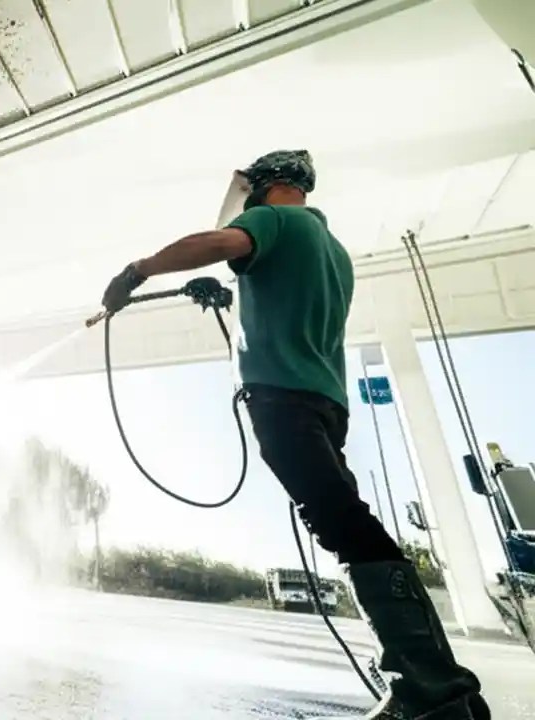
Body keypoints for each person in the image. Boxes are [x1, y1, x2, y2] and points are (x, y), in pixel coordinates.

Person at [100, 150, 488, 720]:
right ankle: (427, 689)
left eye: (252, 192)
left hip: (283, 402)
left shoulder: (276, 219)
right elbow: (287, 314)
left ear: (272, 185)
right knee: (344, 521)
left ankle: (436, 694)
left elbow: (216, 242)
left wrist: (137, 271)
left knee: (346, 527)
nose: (249, 203)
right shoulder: (334, 252)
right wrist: (229, 298)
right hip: (326, 403)